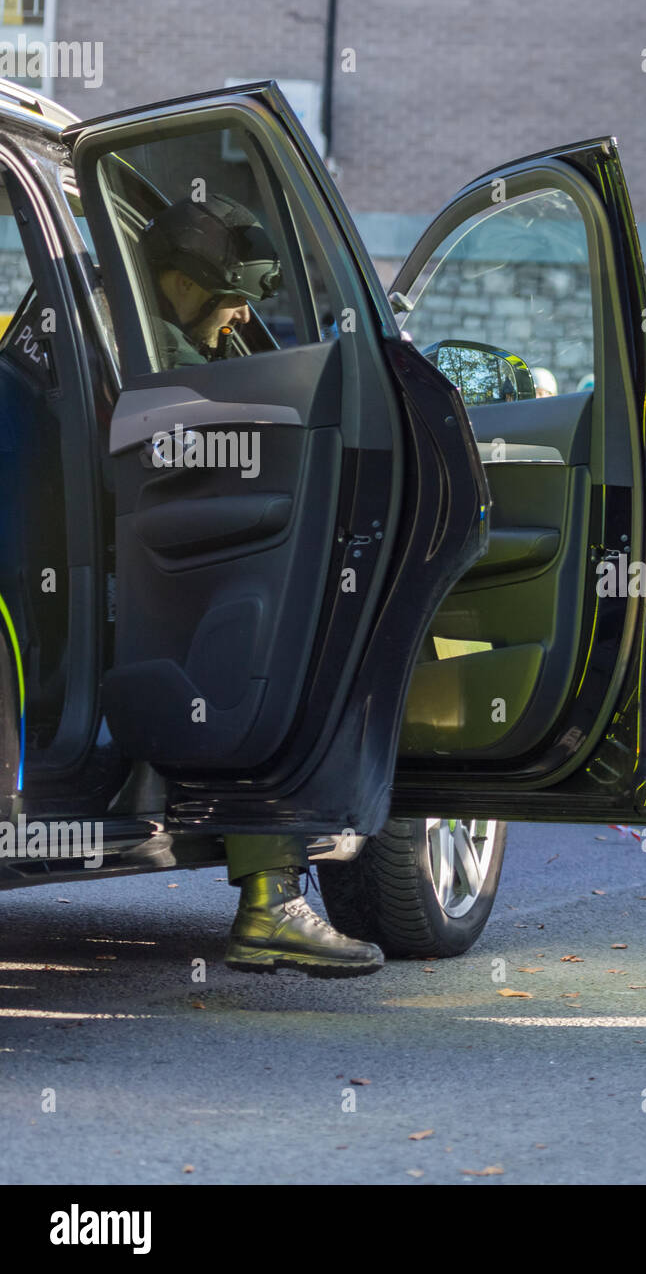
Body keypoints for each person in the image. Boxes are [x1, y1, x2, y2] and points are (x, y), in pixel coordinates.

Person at [142, 194, 383, 978]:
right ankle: (271, 906)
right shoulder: (163, 360)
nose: (244, 313)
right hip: (149, 588)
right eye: (232, 294)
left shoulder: (150, 335)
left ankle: (271, 904)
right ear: (179, 284)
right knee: (262, 663)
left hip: (141, 576)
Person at [140, 194, 283, 368]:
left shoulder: (134, 329)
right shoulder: (178, 369)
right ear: (186, 285)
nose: (245, 317)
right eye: (236, 298)